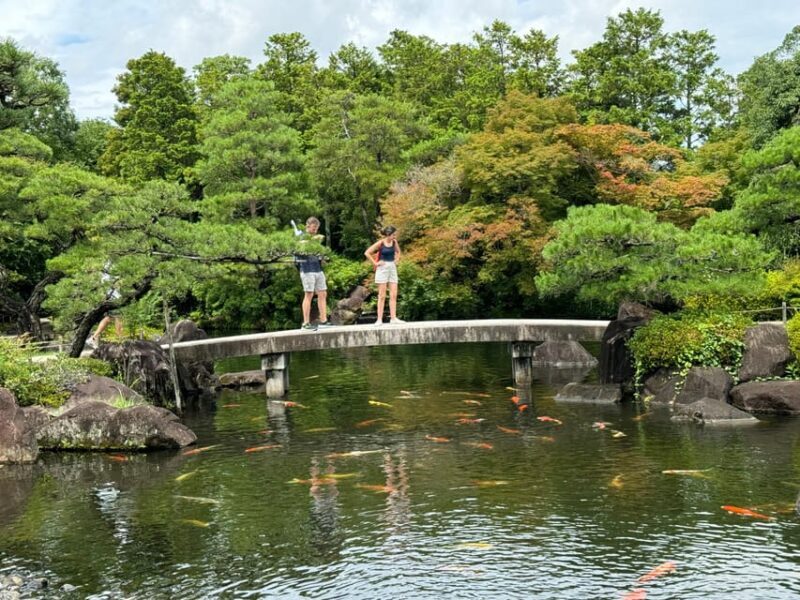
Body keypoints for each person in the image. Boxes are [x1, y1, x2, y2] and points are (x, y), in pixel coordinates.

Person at [294, 217, 332, 331]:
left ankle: (324, 320)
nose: (315, 230)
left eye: (317, 228)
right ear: (308, 226)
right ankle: (305, 323)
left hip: (318, 269)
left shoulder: (317, 239)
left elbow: (318, 253)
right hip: (306, 269)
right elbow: (297, 252)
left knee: (323, 293)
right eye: (314, 228)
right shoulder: (301, 237)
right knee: (309, 294)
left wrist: (323, 258)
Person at [365, 226, 405, 325]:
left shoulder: (394, 242)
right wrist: (375, 263)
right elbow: (367, 253)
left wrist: (397, 260)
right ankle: (379, 319)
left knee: (394, 294)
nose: (395, 236)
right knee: (382, 295)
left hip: (392, 267)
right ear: (388, 234)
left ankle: (393, 318)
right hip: (382, 268)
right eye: (393, 234)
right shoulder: (381, 243)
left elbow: (398, 252)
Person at [87, 263, 123, 347]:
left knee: (108, 318)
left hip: (109, 296)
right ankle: (120, 341)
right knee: (118, 318)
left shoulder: (105, 269)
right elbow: (117, 283)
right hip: (114, 297)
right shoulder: (110, 266)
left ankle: (93, 338)